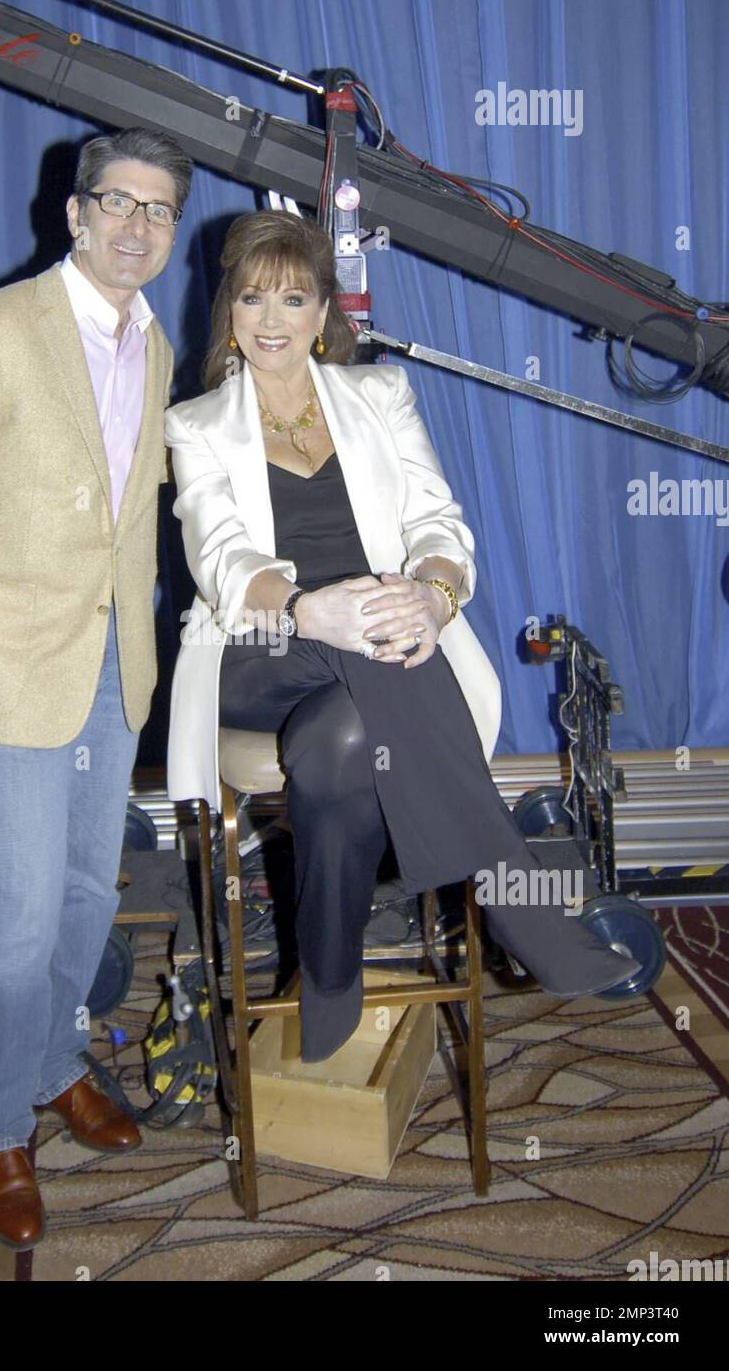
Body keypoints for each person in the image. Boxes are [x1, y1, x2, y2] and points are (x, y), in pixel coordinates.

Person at [164, 210, 640, 1063]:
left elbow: (438, 522)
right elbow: (220, 558)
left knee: (341, 742)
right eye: (251, 298)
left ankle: (330, 976)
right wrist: (311, 607)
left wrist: (430, 595)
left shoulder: (378, 394)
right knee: (358, 643)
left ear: (322, 317)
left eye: (293, 298)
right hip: (257, 642)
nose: (271, 319)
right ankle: (518, 899)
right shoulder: (196, 424)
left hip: (381, 644)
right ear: (227, 315)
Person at [0, 127, 192, 1250]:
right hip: (5, 663)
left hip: (113, 660)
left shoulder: (154, 342)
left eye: (157, 211)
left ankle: (57, 1060)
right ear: (73, 214)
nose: (135, 226)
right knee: (13, 919)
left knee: (83, 891)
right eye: (116, 202)